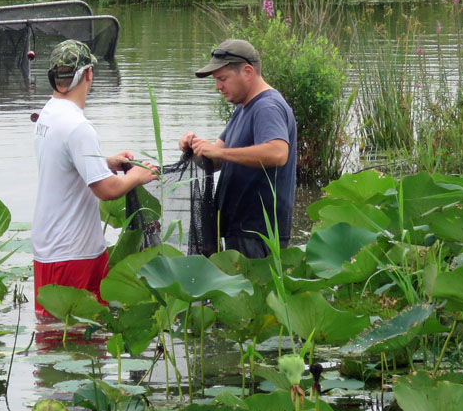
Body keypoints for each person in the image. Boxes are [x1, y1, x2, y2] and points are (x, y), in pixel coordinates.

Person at [32, 40, 159, 317]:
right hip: (75, 253)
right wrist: (137, 175)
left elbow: (63, 163)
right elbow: (106, 189)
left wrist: (107, 163)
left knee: (52, 337)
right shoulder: (78, 126)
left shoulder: (48, 114)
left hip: (46, 248)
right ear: (89, 74)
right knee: (84, 339)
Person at [179, 38, 296, 259]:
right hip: (241, 230)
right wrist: (194, 149)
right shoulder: (244, 108)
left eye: (223, 79)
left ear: (248, 72)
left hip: (259, 233)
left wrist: (219, 152)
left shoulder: (266, 107)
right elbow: (217, 160)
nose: (218, 86)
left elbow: (278, 153)